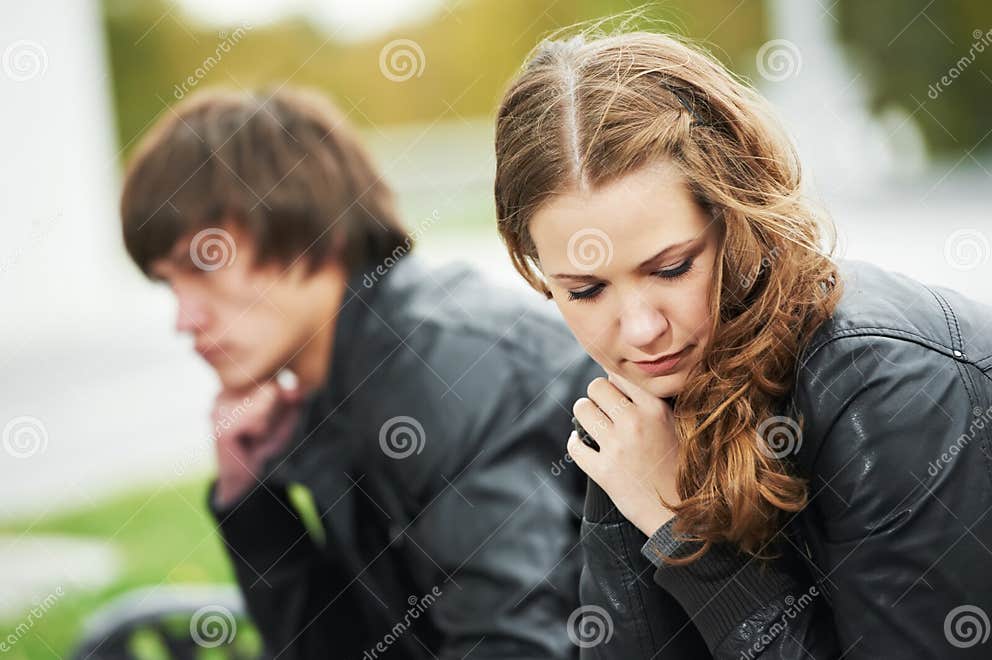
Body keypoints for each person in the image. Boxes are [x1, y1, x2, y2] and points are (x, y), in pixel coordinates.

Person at [493, 30, 992, 659]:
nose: (642, 329)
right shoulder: (643, 405)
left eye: (672, 269)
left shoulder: (893, 391)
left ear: (740, 218)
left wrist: (685, 538)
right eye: (586, 291)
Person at [120, 87, 602, 659]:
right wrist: (250, 499)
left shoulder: (437, 372)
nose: (184, 318)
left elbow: (516, 647)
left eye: (204, 267)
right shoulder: (340, 376)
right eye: (170, 284)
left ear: (311, 232)